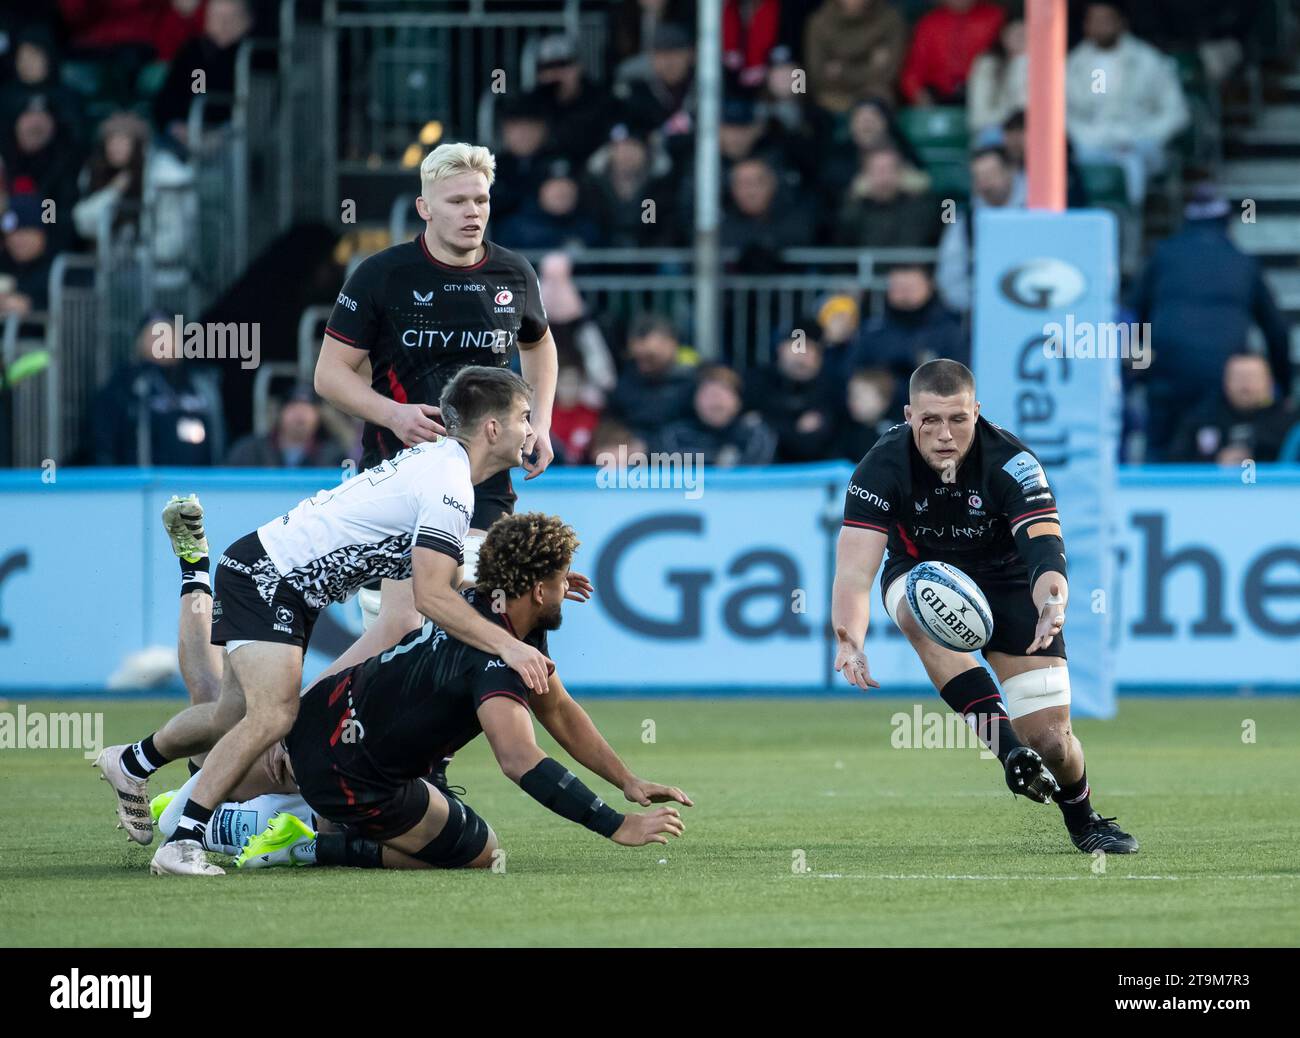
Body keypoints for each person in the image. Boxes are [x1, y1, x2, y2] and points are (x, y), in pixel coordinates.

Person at [93, 367, 556, 875]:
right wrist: (510, 646)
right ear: (492, 428)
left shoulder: (443, 468)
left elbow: (445, 578)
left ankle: (132, 762)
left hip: (268, 572)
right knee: (274, 716)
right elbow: (432, 597)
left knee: (230, 717)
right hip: (273, 580)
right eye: (525, 417)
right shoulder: (450, 487)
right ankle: (181, 841)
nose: (533, 430)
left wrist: (538, 579)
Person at [234, 512, 690, 871]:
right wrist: (615, 825)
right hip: (353, 776)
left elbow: (559, 709)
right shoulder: (499, 663)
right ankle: (312, 848)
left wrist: (626, 781)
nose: (567, 586)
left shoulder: (476, 602)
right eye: (560, 578)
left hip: (318, 716)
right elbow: (520, 762)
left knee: (219, 778)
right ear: (534, 591)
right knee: (482, 853)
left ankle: (208, 813)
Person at [831, 359, 1138, 854]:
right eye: (930, 420)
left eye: (957, 418)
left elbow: (1045, 549)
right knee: (918, 602)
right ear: (910, 416)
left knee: (1055, 744)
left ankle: (1084, 818)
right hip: (921, 572)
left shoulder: (1013, 462)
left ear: (977, 411)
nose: (945, 434)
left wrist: (1051, 603)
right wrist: (849, 639)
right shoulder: (880, 466)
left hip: (1012, 584)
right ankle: (1008, 749)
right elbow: (853, 570)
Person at [312, 141, 560, 664]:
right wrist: (393, 414)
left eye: (481, 200)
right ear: (424, 208)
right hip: (399, 475)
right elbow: (329, 376)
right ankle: (298, 722)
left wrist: (540, 422)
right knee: (400, 636)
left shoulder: (513, 275)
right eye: (456, 202)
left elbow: (539, 345)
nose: (472, 212)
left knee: (480, 626)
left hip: (485, 480)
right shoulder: (381, 275)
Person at [1128, 185, 1292, 457]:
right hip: (1221, 378)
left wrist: (1136, 371)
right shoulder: (1242, 262)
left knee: (1159, 457)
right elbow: (1276, 329)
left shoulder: (1162, 256)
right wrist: (1283, 385)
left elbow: (1131, 316)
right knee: (1210, 456)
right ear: (1227, 223)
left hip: (1167, 373)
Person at [1065, 1, 1189, 208]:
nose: (1100, 26)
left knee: (1129, 164)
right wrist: (1088, 136)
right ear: (1085, 25)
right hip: (1091, 142)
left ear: (1121, 23)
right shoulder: (1075, 64)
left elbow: (1176, 112)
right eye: (1094, 21)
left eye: (1106, 20)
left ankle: (1131, 222)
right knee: (1077, 165)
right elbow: (1065, 113)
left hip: (1140, 140)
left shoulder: (1148, 60)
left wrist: (1145, 135)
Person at [88, 311, 223, 465]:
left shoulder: (201, 384)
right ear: (139, 343)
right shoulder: (123, 387)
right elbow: (104, 446)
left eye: (170, 334)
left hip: (199, 484)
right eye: (155, 335)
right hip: (143, 486)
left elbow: (219, 438)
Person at [934, 144, 1024, 313]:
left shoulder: (1040, 210)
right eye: (978, 177)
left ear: (1010, 170)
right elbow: (950, 275)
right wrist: (979, 305)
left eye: (990, 175)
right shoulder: (965, 221)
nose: (985, 184)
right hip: (984, 311)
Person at [1167, 353, 1298, 465]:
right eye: (1239, 378)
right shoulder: (1202, 419)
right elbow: (1174, 464)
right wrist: (1215, 461)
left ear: (1269, 383)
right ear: (1225, 382)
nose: (1245, 385)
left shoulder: (1289, 421)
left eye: (1252, 378)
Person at [746, 332, 841, 462]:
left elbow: (816, 440)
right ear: (781, 349)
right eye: (798, 349)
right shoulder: (757, 381)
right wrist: (794, 428)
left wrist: (771, 424)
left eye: (811, 351)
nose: (803, 358)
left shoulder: (830, 388)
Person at [658, 364, 777, 466]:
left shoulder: (754, 433)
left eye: (724, 391)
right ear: (694, 401)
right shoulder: (676, 435)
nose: (716, 399)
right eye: (707, 393)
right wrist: (718, 459)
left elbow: (756, 469)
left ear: (739, 401)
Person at [803, 0, 908, 112]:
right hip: (833, 95)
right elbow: (817, 74)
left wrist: (841, 71)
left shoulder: (890, 20)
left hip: (874, 94)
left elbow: (890, 72)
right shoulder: (820, 22)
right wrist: (871, 67)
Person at [606, 312, 696, 438]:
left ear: (672, 344)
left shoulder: (694, 380)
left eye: (651, 357)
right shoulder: (626, 380)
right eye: (637, 358)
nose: (643, 365)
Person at [899, 0, 1005, 106]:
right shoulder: (929, 24)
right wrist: (917, 94)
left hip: (986, 91)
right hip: (940, 95)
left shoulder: (995, 17)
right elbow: (913, 72)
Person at [833, 147, 941, 249]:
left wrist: (925, 192)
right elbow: (839, 243)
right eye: (878, 171)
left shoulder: (920, 206)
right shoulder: (855, 209)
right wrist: (852, 198)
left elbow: (949, 216)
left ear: (902, 174)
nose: (884, 178)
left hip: (910, 267)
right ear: (865, 176)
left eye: (890, 169)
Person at [224, 383, 347, 468]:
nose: (300, 414)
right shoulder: (249, 451)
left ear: (319, 415)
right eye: (293, 406)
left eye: (308, 408)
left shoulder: (333, 455)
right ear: (280, 412)